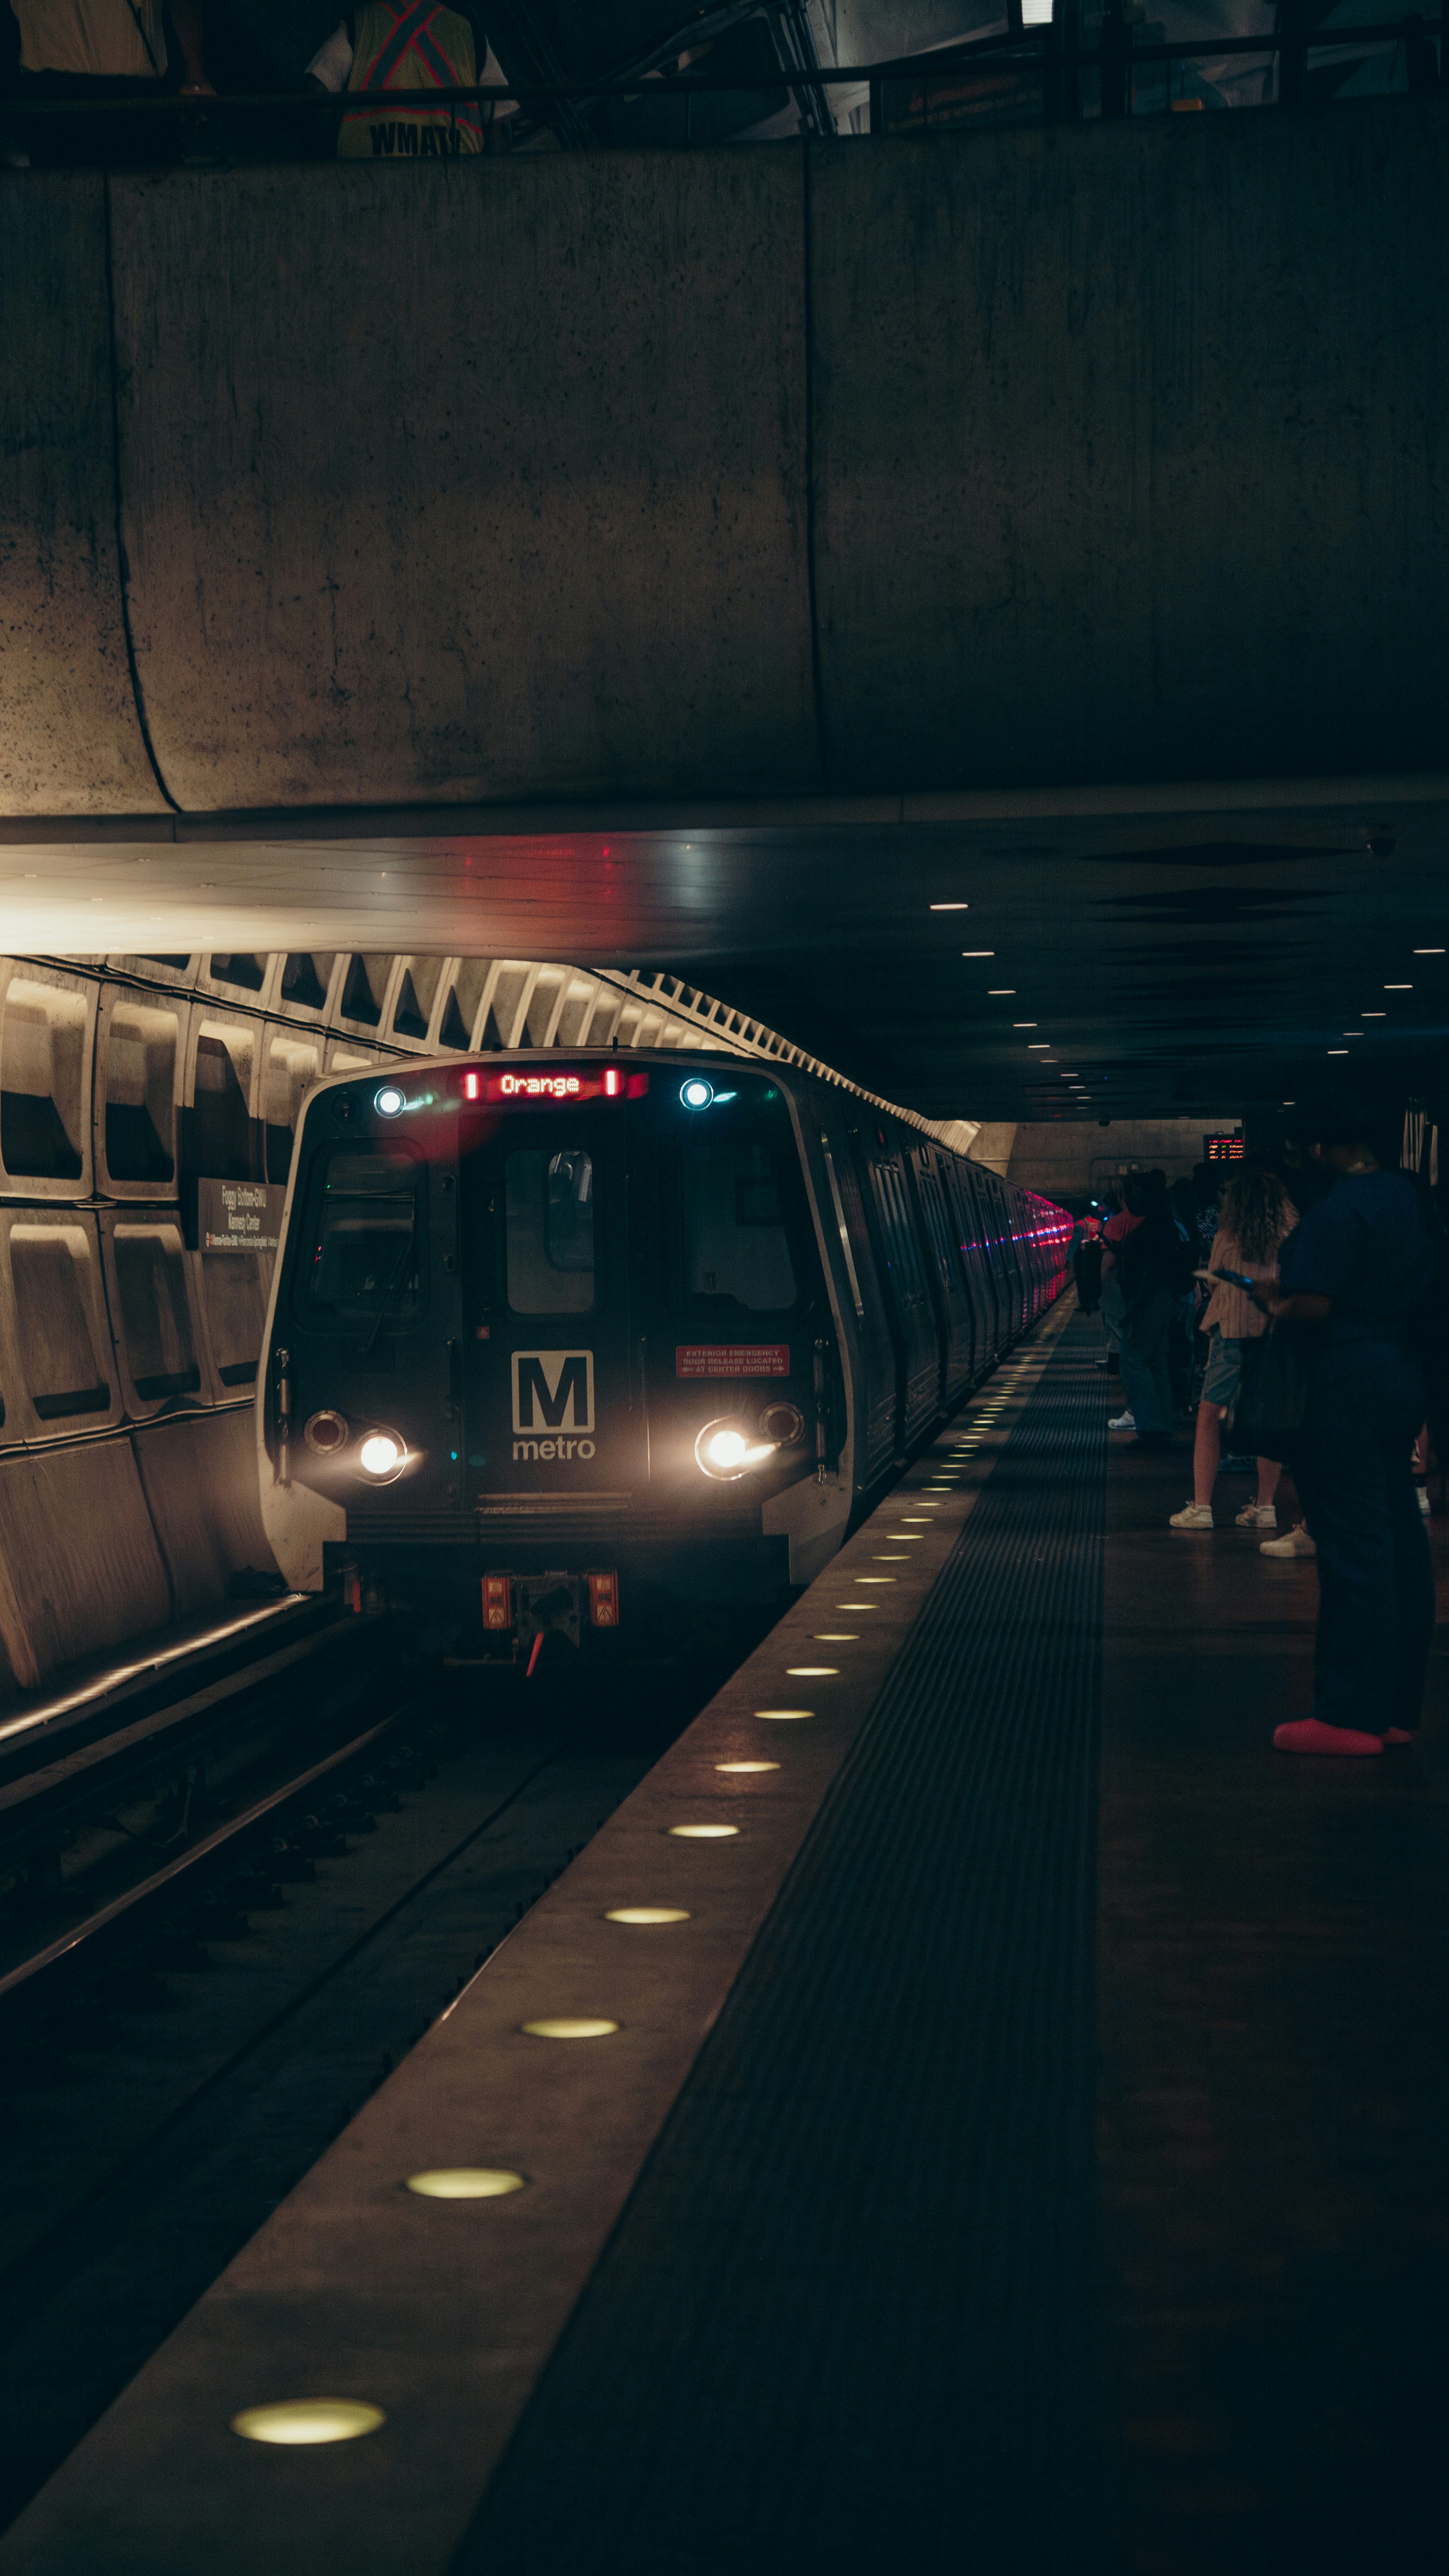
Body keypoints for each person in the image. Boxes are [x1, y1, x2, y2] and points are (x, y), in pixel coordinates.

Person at [1252, 1093, 1436, 1756]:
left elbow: (1314, 1303)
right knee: (1396, 1540)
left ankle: (1347, 1714)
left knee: (1354, 1547)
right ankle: (1392, 1708)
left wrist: (1270, 1298)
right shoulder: (1408, 1197)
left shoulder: (1340, 1209)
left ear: (1327, 1147)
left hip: (1343, 1385)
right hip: (1398, 1377)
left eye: (1300, 1147)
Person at [1170, 1168, 1298, 1532]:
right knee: (1269, 1418)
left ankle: (1203, 1507)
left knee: (1209, 1414)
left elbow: (1217, 1281)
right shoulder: (1291, 1236)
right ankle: (1267, 1506)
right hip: (1275, 1337)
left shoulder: (1227, 1236)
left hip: (1232, 1335)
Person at [305, 5, 512, 159]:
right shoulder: (468, 31)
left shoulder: (359, 23)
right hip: (457, 180)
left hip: (368, 178)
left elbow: (317, 89)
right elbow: (500, 124)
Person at [1108, 1170, 1193, 1450]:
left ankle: (1151, 1429)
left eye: (1131, 1192)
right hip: (1162, 1300)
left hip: (1151, 1301)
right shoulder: (1165, 1219)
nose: (1127, 1198)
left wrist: (1136, 1306)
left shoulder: (1154, 1224)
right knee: (1156, 1360)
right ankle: (1161, 1426)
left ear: (1143, 1194)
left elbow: (1152, 1271)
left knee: (1135, 1360)